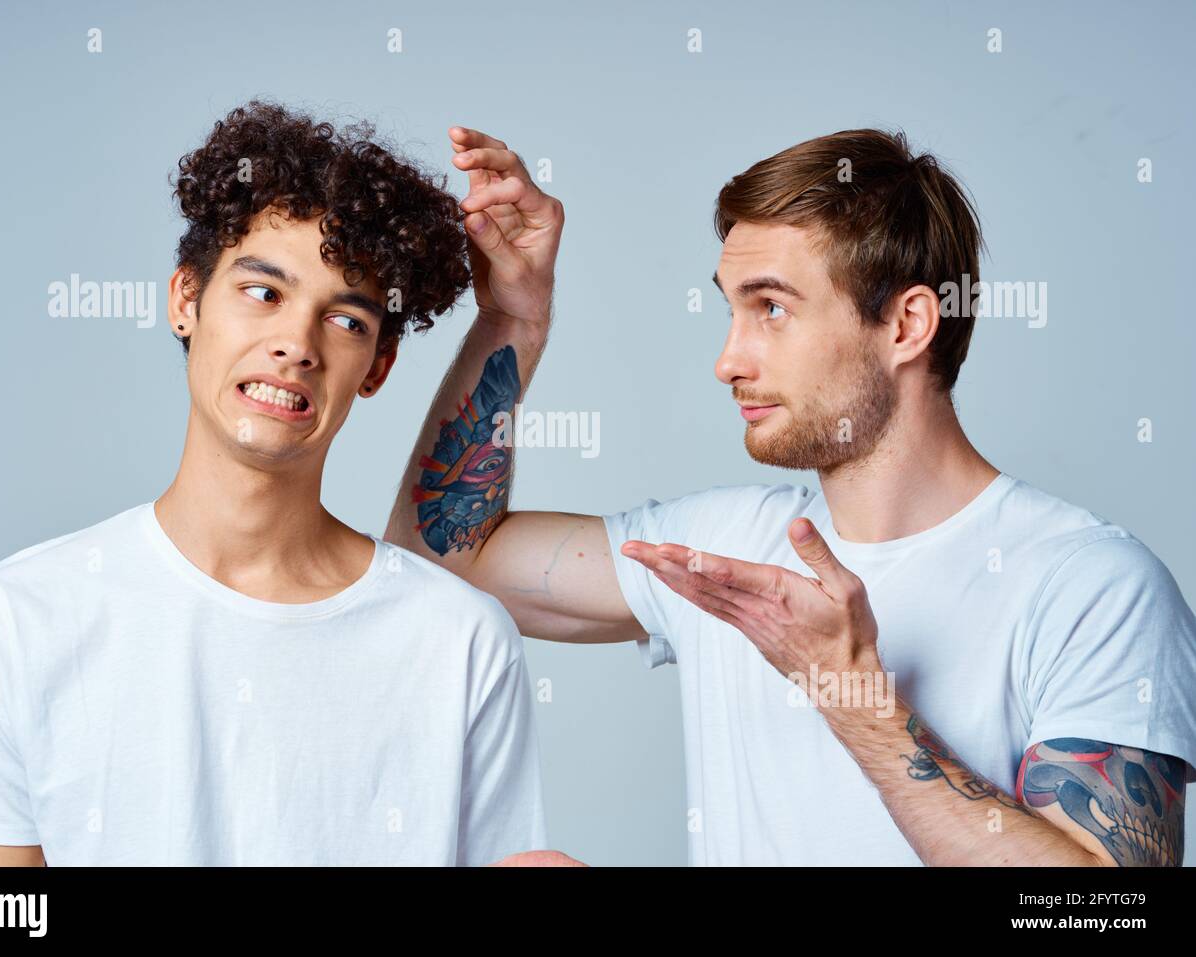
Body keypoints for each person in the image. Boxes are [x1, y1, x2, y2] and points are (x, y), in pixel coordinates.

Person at [386, 126, 1196, 866]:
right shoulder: (722, 545)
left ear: (909, 325)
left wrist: (851, 693)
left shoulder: (1092, 585)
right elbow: (438, 559)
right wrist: (513, 317)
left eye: (772, 308)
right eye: (732, 309)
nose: (729, 359)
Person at [0, 101, 547, 866]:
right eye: (263, 292)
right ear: (185, 300)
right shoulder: (15, 618)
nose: (295, 345)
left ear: (377, 366)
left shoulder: (460, 642)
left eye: (344, 320)